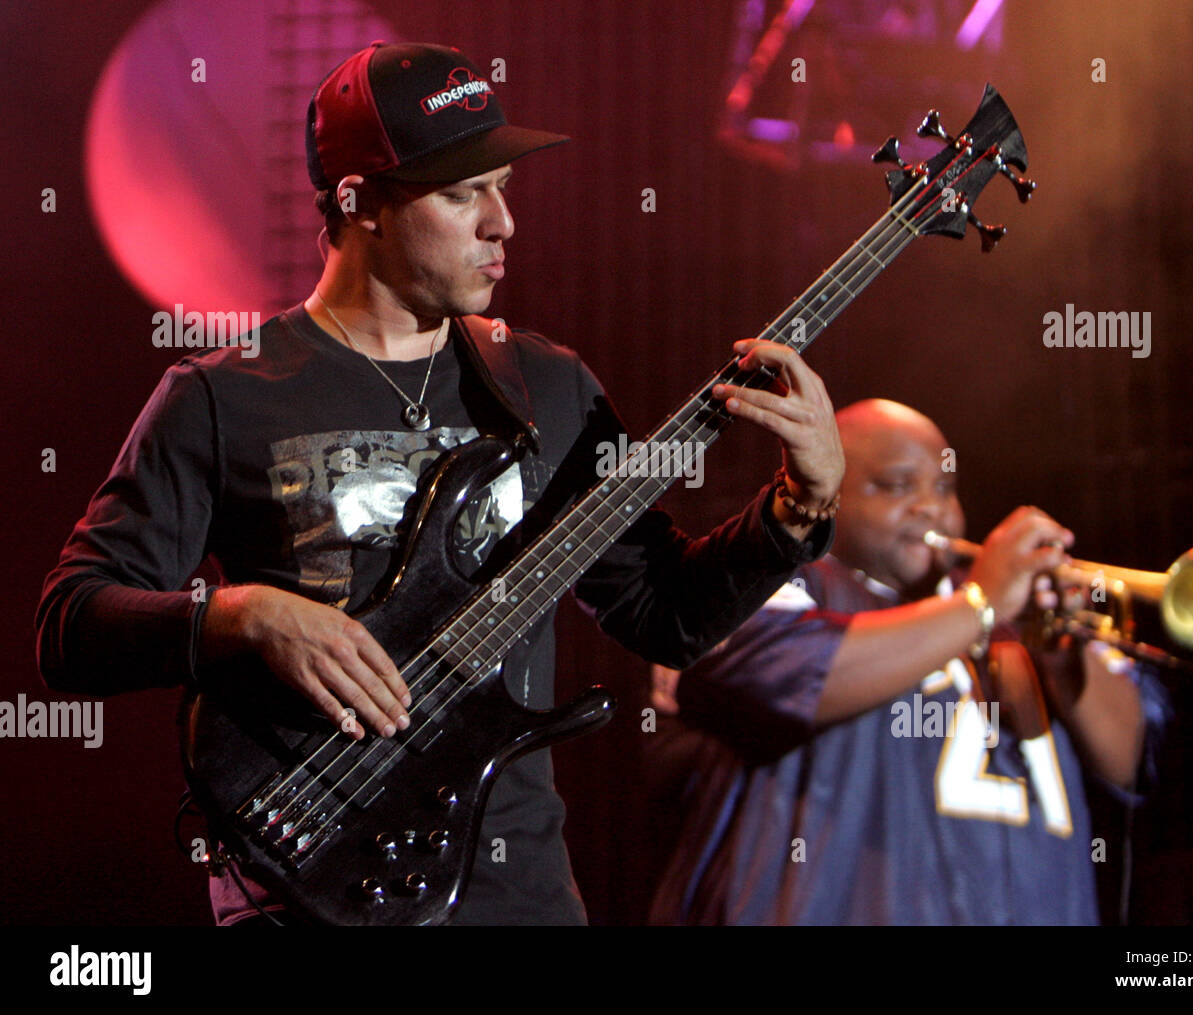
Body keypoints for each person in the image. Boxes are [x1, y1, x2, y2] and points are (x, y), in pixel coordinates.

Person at [34, 41, 844, 926]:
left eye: (501, 187)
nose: (502, 223)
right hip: (303, 889)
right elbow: (71, 626)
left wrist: (798, 508)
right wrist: (247, 615)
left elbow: (664, 612)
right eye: (462, 193)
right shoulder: (225, 396)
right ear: (359, 204)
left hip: (514, 895)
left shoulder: (551, 386)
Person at [648, 399, 1171, 925]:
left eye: (944, 488)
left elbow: (1127, 761)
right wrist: (980, 605)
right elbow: (775, 674)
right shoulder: (782, 580)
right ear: (827, 493)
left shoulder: (1015, 619)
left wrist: (1062, 656)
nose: (930, 507)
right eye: (897, 486)